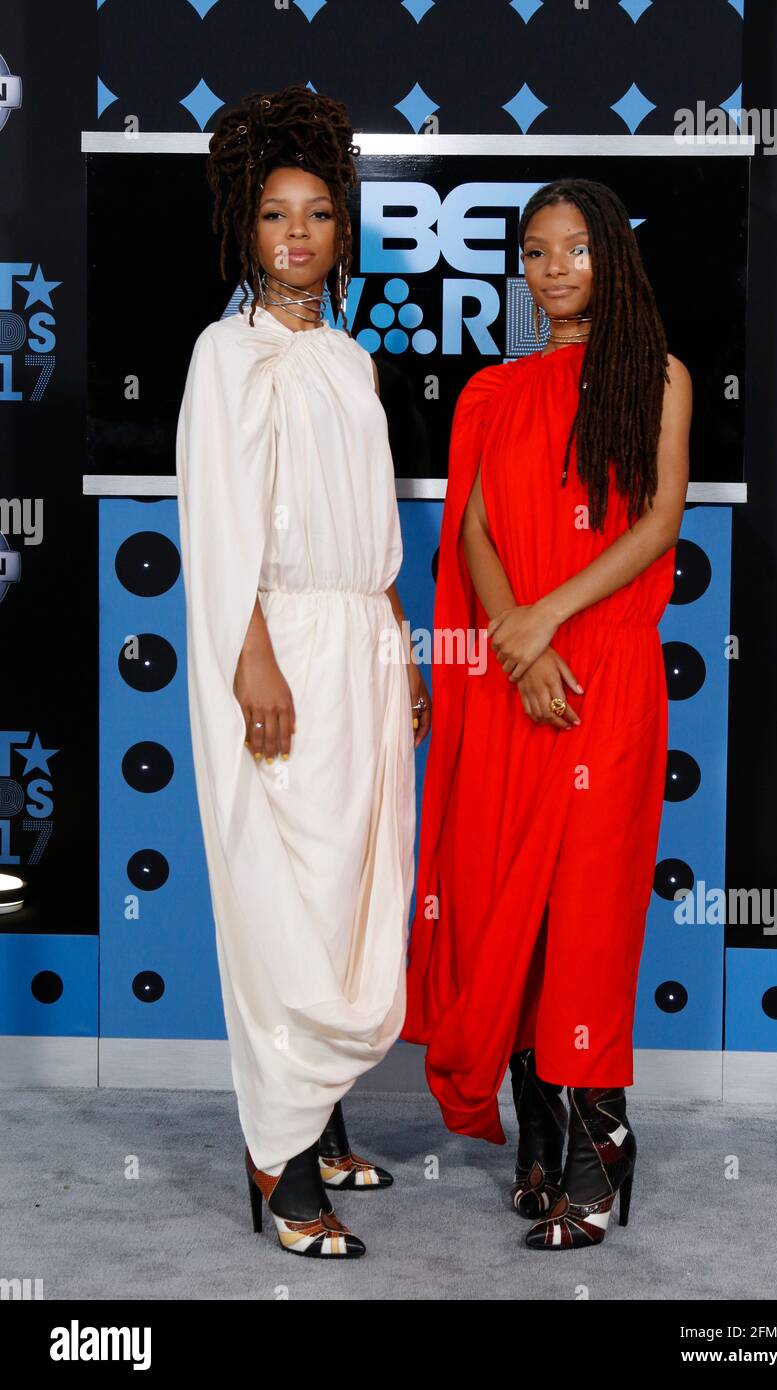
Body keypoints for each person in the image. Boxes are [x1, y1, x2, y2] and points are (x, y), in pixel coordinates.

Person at [401, 178, 691, 1251]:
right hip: (515, 677)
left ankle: (599, 1150)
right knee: (505, 912)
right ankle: (536, 1140)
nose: (553, 268)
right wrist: (512, 640)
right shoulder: (492, 393)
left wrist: (547, 619)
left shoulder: (657, 377)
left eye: (575, 249)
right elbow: (471, 529)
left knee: (587, 914)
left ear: (611, 260)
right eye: (533, 252)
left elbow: (659, 520)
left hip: (604, 676)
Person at [175, 86, 430, 1259]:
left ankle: (321, 1123)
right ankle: (277, 1163)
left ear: (341, 233)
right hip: (269, 641)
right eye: (275, 214)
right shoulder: (223, 358)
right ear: (245, 228)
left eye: (317, 215)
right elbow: (217, 529)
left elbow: (371, 522)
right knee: (286, 897)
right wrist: (251, 659)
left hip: (359, 648)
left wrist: (399, 638)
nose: (296, 235)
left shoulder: (350, 359)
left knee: (349, 890)